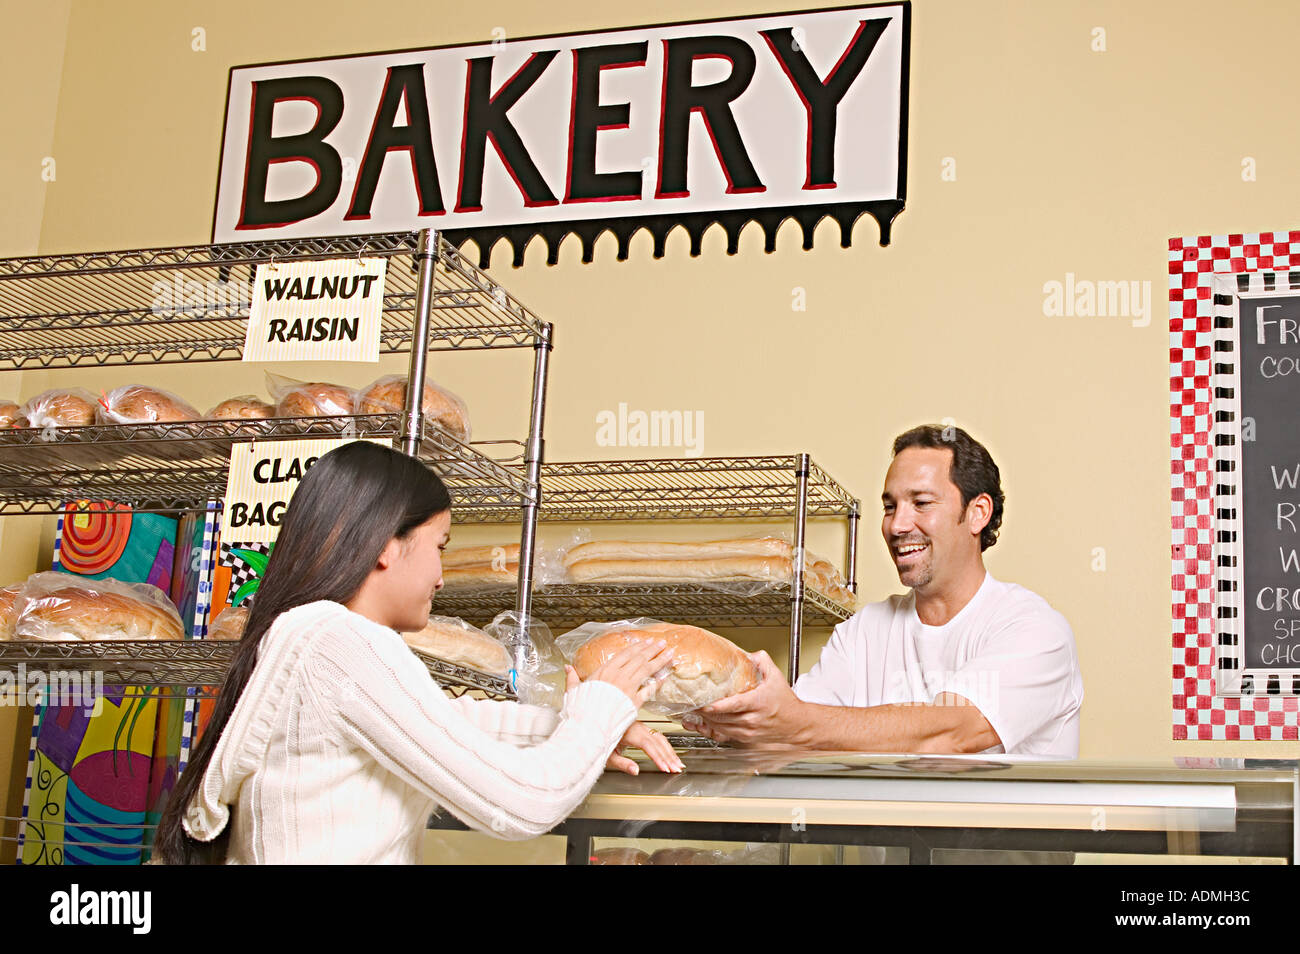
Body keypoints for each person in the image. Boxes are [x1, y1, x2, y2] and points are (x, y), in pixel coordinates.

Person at [154, 441, 681, 864]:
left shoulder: (311, 637)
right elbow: (524, 805)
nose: (442, 576)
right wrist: (601, 707)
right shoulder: (344, 646)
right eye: (440, 546)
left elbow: (440, 721)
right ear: (386, 545)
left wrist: (575, 726)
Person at [685, 425, 1083, 758]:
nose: (896, 525)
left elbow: (952, 734)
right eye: (890, 507)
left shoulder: (1034, 629)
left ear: (978, 513)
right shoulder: (864, 631)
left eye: (921, 503)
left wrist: (790, 721)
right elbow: (791, 730)